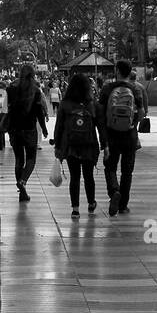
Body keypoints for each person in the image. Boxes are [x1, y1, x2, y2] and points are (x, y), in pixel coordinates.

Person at [97, 59, 147, 217]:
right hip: (130, 135)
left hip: (111, 134)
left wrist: (103, 136)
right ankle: (123, 205)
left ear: (117, 71)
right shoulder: (136, 89)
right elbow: (142, 112)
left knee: (110, 167)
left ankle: (114, 191)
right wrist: (132, 123)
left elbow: (100, 113)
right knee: (127, 171)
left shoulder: (107, 88)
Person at [53, 72, 102, 219]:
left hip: (71, 146)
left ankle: (75, 209)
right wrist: (105, 145)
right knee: (89, 176)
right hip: (89, 145)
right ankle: (91, 203)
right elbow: (100, 126)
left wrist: (57, 146)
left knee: (75, 177)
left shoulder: (65, 104)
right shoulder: (92, 104)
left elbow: (59, 126)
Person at [4, 63, 48, 202]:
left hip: (15, 129)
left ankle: (21, 192)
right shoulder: (36, 90)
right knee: (31, 159)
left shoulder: (10, 89)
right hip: (29, 129)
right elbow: (39, 112)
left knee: (19, 160)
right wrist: (44, 128)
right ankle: (23, 181)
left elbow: (6, 109)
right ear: (33, 74)